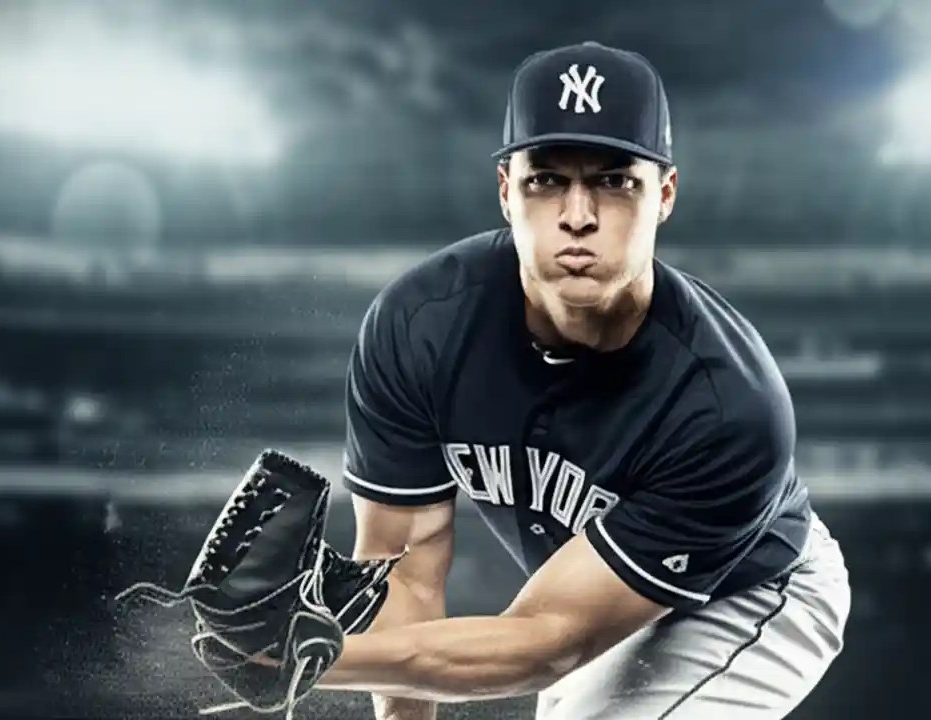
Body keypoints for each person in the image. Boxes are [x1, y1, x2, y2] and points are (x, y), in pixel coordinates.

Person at [321, 41, 851, 719]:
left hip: (752, 592)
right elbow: (407, 584)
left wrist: (307, 656)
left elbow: (547, 643)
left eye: (614, 181)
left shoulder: (728, 405)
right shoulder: (419, 326)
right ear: (506, 191)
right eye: (546, 180)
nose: (578, 215)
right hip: (592, 596)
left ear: (664, 194)